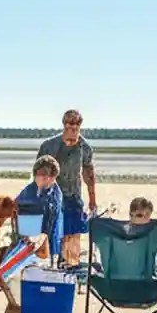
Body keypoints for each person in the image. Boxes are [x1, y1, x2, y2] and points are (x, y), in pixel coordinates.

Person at [37, 108, 97, 268]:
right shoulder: (49, 146)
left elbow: (89, 174)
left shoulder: (85, 148)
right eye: (69, 127)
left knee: (73, 233)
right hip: (51, 196)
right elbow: (38, 172)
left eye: (75, 128)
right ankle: (48, 265)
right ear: (64, 125)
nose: (72, 131)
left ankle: (70, 266)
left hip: (73, 195)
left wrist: (92, 199)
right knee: (50, 232)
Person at [14, 155, 63, 262]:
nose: (40, 177)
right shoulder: (28, 192)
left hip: (49, 239)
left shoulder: (55, 193)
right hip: (30, 238)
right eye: (38, 174)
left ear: (52, 177)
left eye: (44, 174)